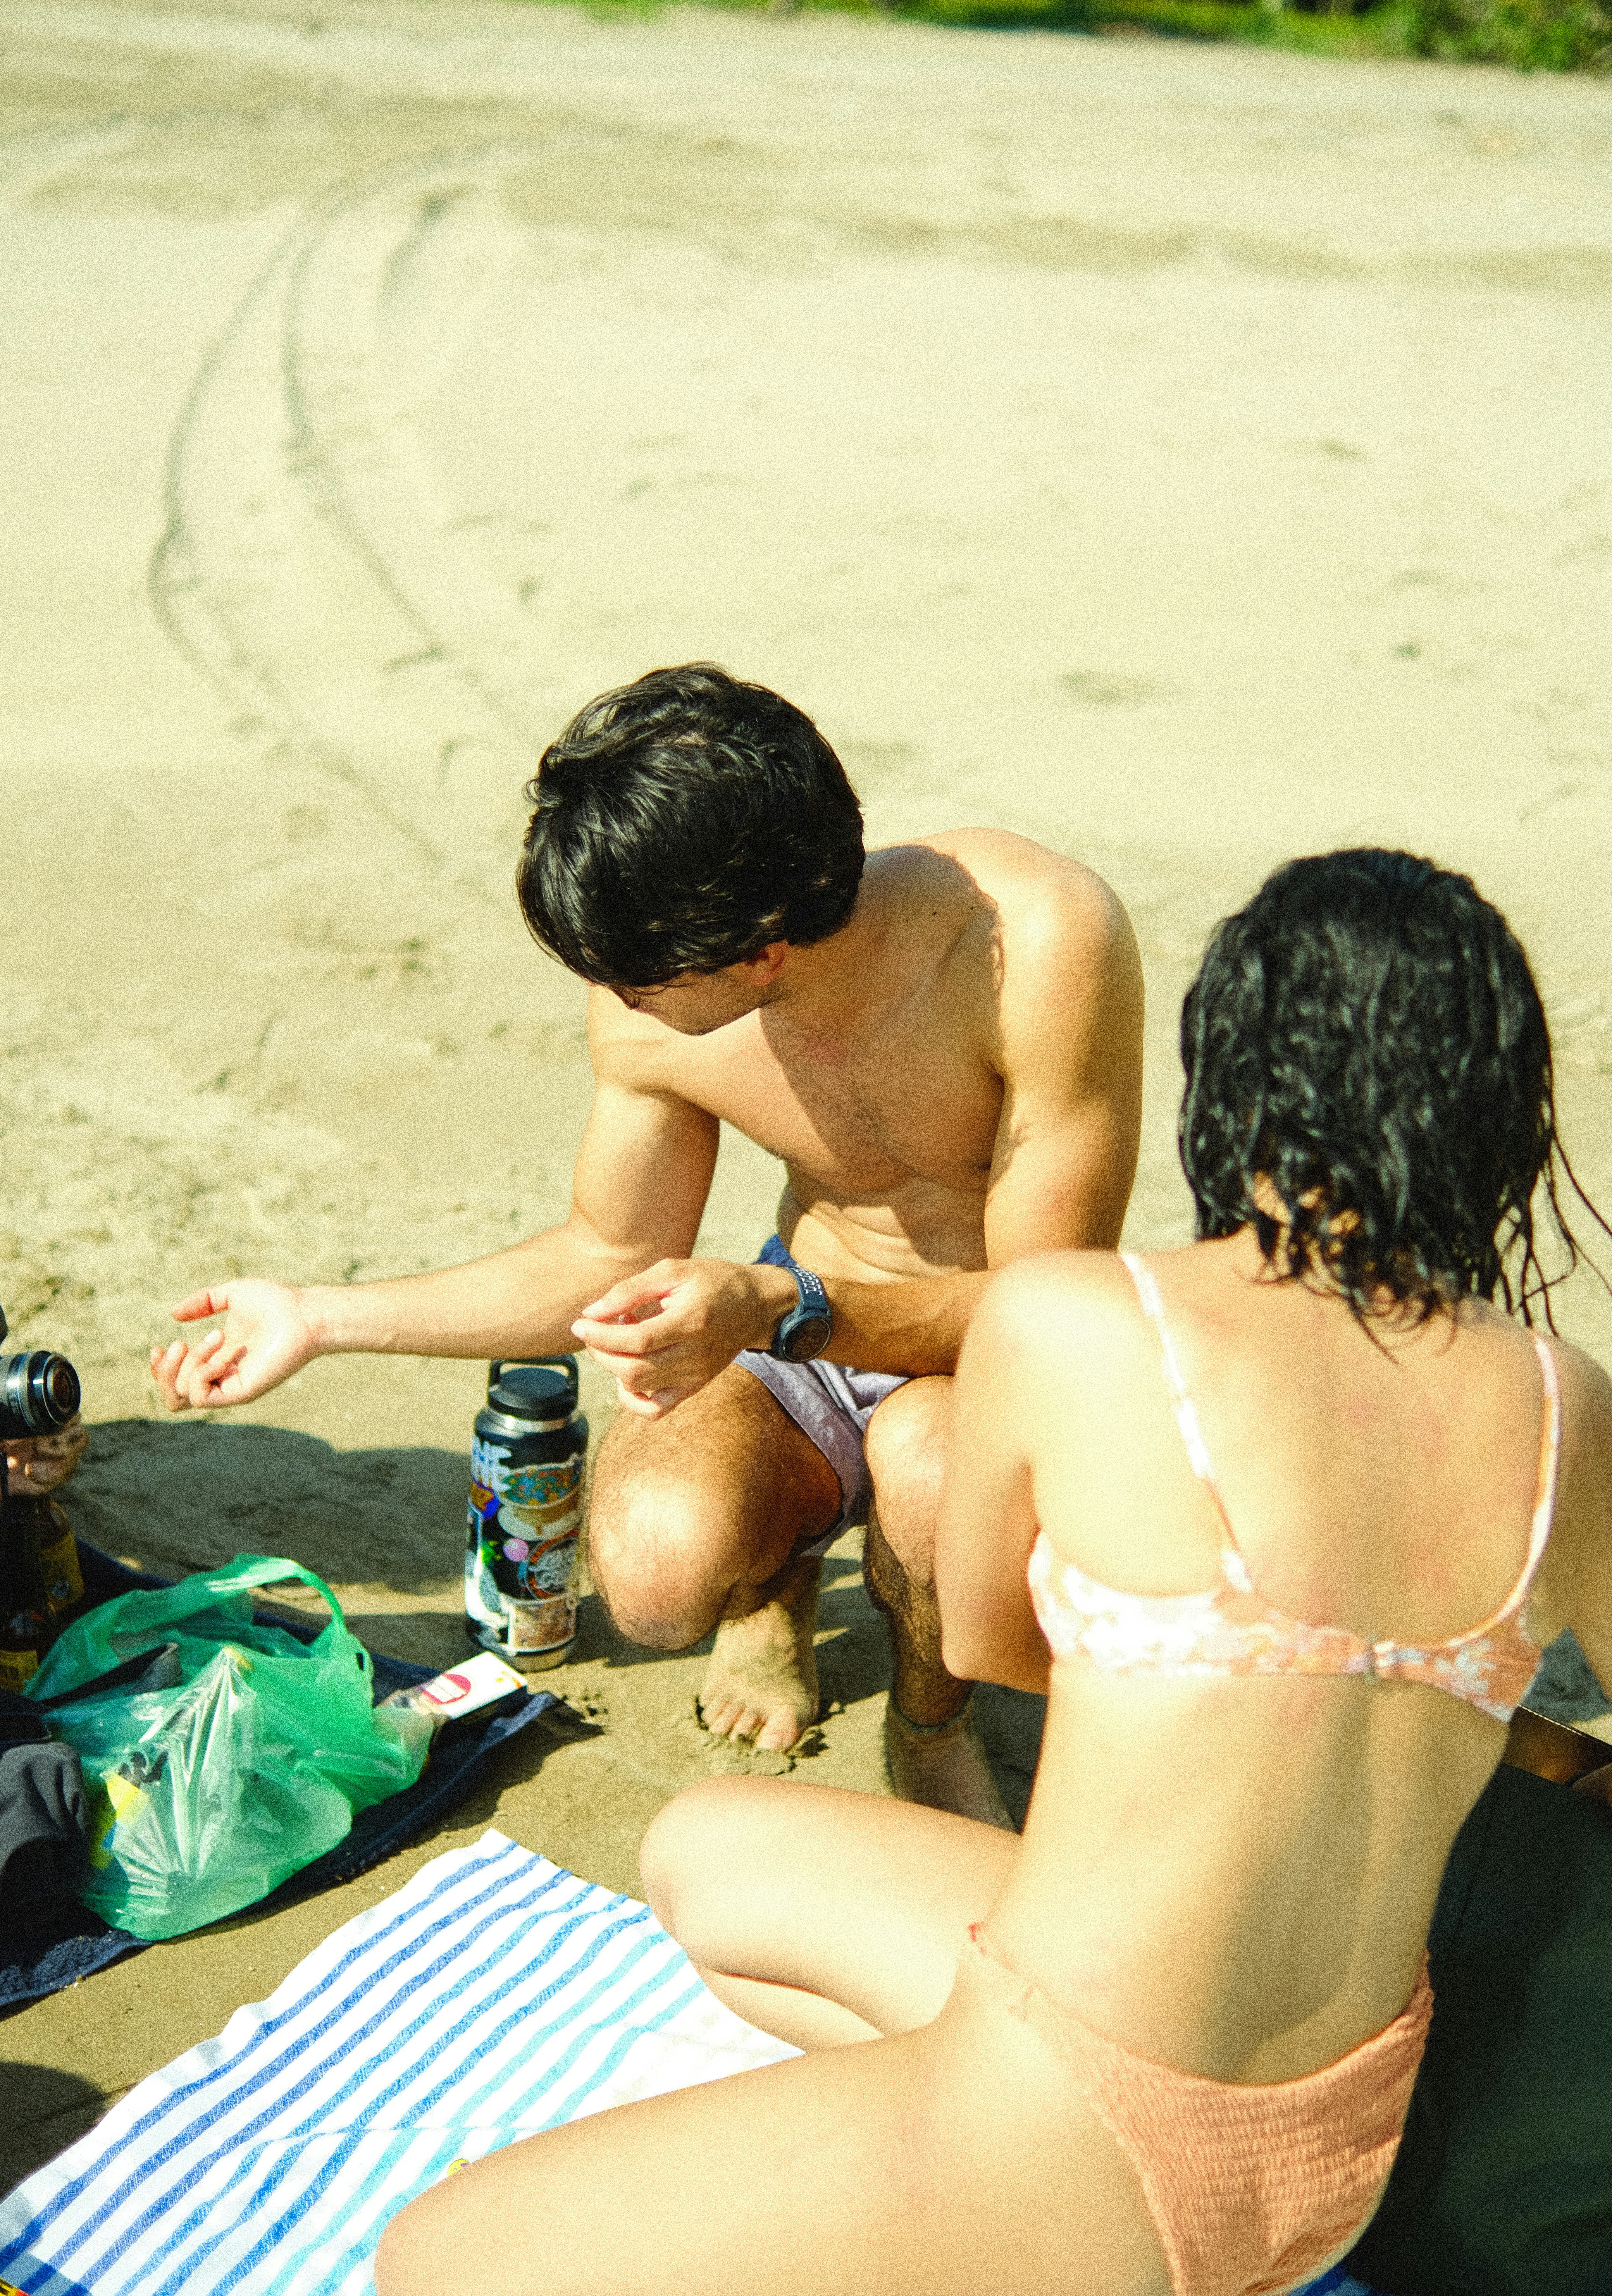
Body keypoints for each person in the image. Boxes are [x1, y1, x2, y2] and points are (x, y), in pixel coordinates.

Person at [373, 846, 1612, 2296]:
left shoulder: (1080, 1322)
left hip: (1090, 2111)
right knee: (707, 1856)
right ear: (1496, 1105)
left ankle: (1012, 2232)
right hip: (1344, 2133)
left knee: (437, 2257)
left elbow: (993, 1644)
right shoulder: (1563, 1403)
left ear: (1235, 1077)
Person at [151, 665, 1143, 1821]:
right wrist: (320, 1317)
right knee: (658, 1571)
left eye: (633, 979)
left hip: (985, 1360)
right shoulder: (653, 978)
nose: (611, 999)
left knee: (929, 1479)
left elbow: (1047, 1311)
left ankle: (931, 1717)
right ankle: (772, 1582)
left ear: (761, 952)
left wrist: (778, 1307)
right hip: (790, 1316)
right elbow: (603, 1250)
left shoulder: (1034, 943)